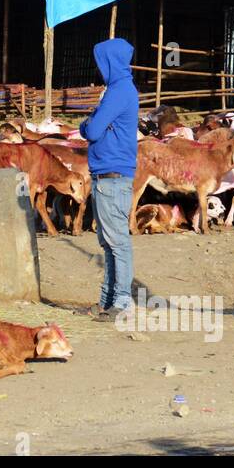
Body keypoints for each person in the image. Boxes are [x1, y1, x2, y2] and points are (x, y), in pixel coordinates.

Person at [79, 38, 139, 320]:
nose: (99, 68)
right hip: (107, 175)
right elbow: (93, 126)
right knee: (109, 242)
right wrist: (91, 124)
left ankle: (123, 302)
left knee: (117, 242)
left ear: (110, 62)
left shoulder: (119, 91)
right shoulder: (118, 90)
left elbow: (91, 130)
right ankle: (106, 301)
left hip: (112, 177)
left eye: (101, 62)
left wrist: (89, 124)